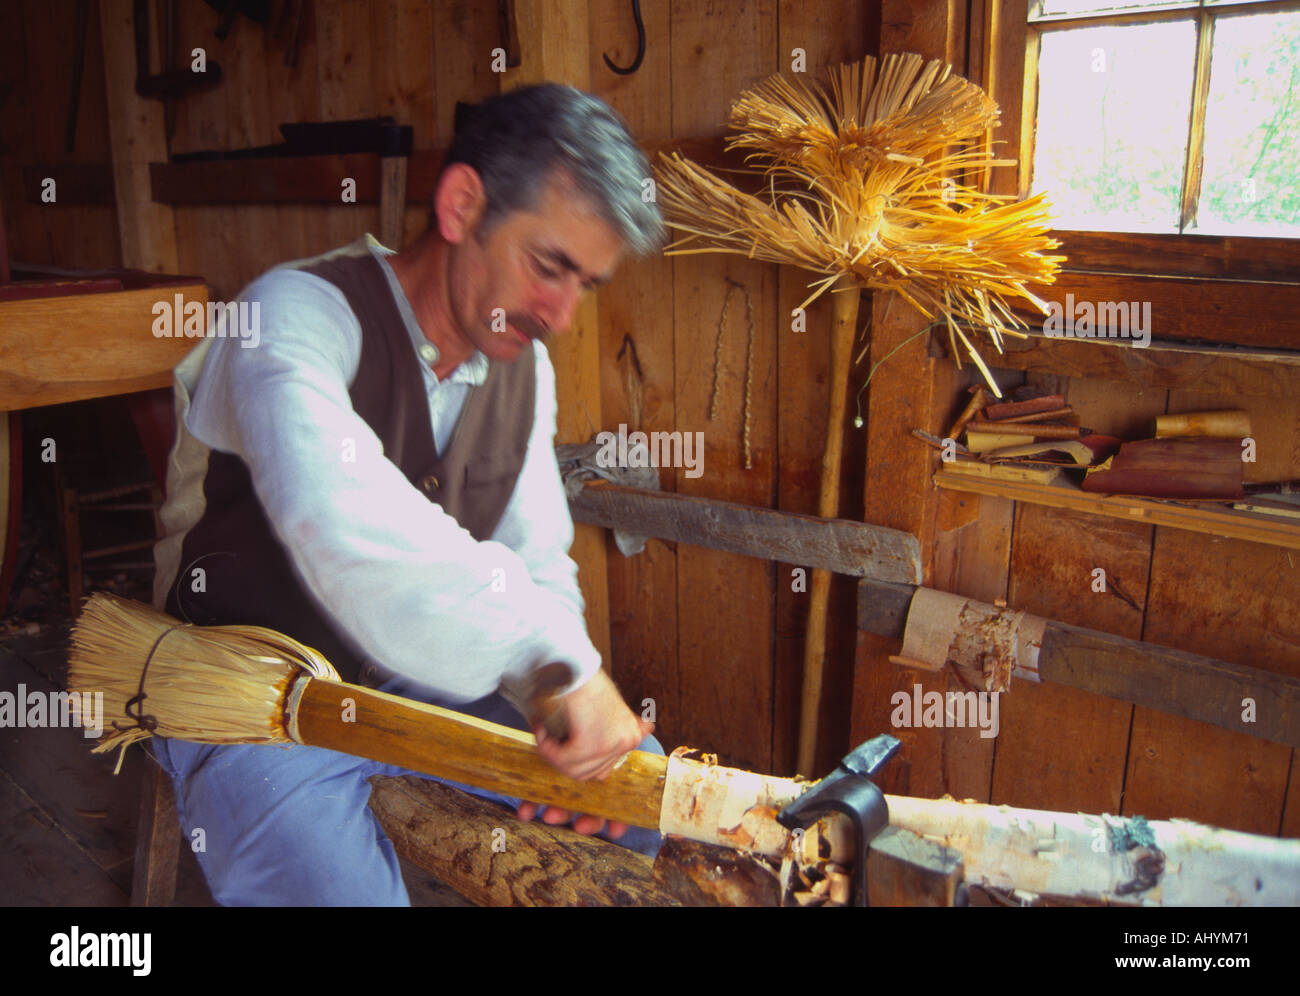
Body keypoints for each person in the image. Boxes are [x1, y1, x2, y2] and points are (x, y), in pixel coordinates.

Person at [148, 84, 667, 905]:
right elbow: (342, 523)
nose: (563, 316)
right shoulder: (290, 315)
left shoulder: (521, 366)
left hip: (413, 678)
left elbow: (537, 558)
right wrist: (556, 662)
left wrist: (555, 686)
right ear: (463, 205)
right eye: (549, 267)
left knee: (639, 786)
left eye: (586, 286)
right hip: (252, 690)